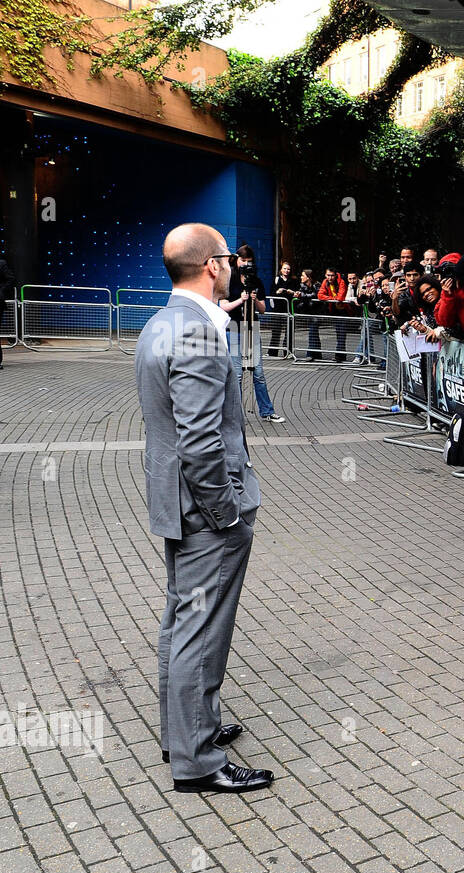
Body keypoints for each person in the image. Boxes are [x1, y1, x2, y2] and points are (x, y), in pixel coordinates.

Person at [134, 223, 274, 794]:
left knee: (181, 618)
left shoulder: (161, 321)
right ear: (212, 267)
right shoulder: (195, 332)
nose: (236, 264)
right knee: (200, 627)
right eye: (229, 257)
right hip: (205, 513)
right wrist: (227, 513)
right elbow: (200, 441)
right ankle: (196, 761)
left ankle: (186, 731)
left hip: (178, 503)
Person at [221, 245, 285, 424]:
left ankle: (267, 411)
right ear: (237, 260)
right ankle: (235, 414)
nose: (246, 265)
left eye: (249, 262)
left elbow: (264, 309)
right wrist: (240, 300)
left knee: (258, 373)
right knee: (238, 375)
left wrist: (255, 300)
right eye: (243, 261)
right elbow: (223, 306)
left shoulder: (256, 281)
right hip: (234, 327)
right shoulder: (229, 279)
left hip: (252, 327)